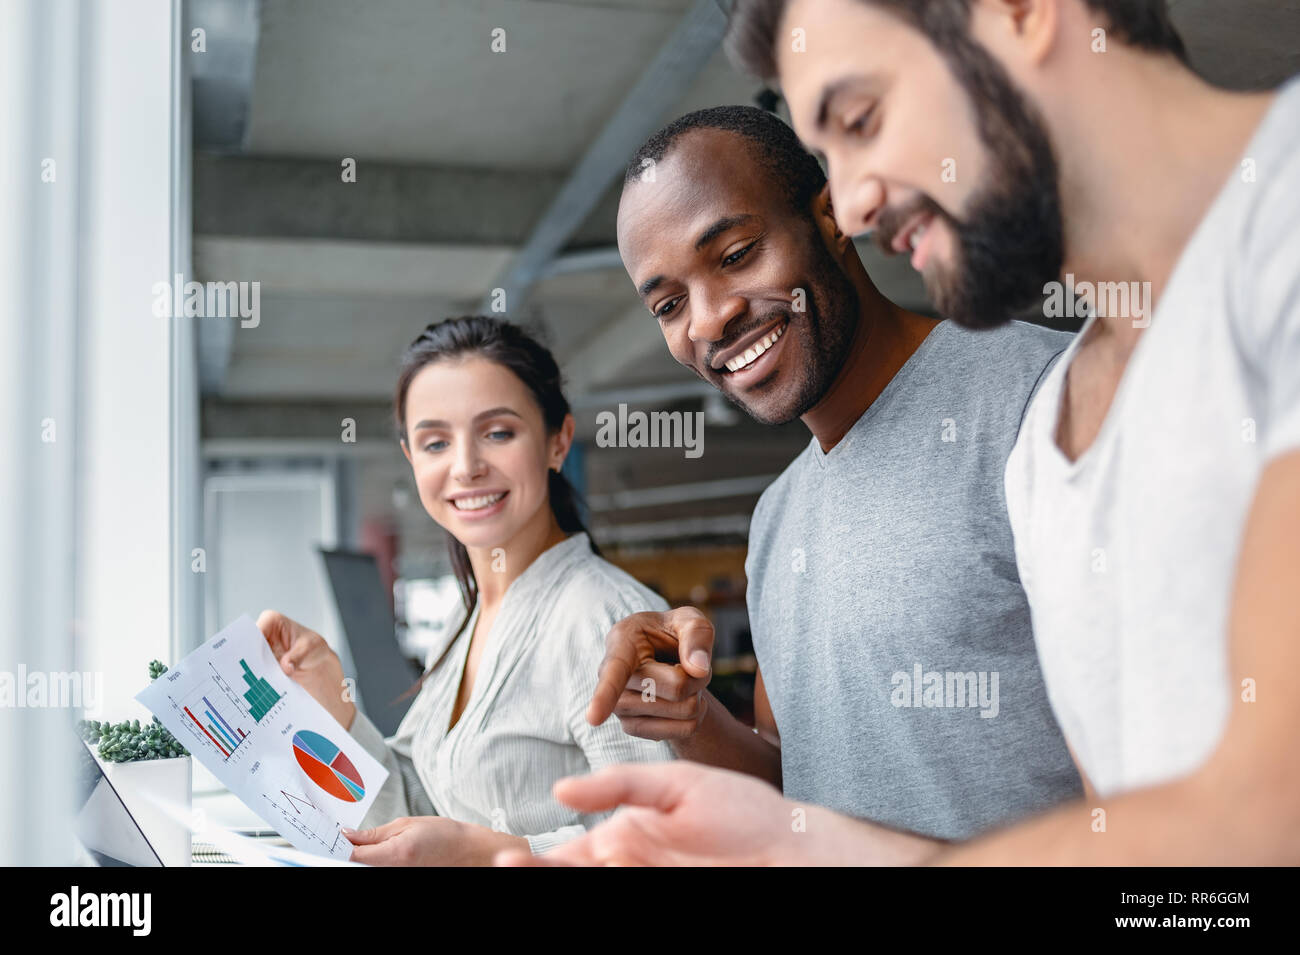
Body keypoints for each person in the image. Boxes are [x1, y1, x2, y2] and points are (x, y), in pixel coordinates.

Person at [499, 0, 1300, 866]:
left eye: (862, 119)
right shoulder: (1067, 415)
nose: (859, 198)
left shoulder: (1042, 398)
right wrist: (702, 730)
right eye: (666, 302)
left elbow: (1244, 828)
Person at [579, 103, 1081, 856]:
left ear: (833, 216)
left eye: (737, 253)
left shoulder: (1042, 402)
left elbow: (1175, 796)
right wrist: (693, 717)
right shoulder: (777, 520)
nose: (710, 319)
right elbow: (798, 794)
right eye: (670, 304)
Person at [258, 315, 672, 865]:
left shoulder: (612, 620)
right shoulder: (465, 619)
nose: (466, 466)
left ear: (558, 441)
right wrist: (336, 710)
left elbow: (666, 841)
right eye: (435, 442)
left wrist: (489, 854)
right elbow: (421, 805)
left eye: (498, 433)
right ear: (411, 459)